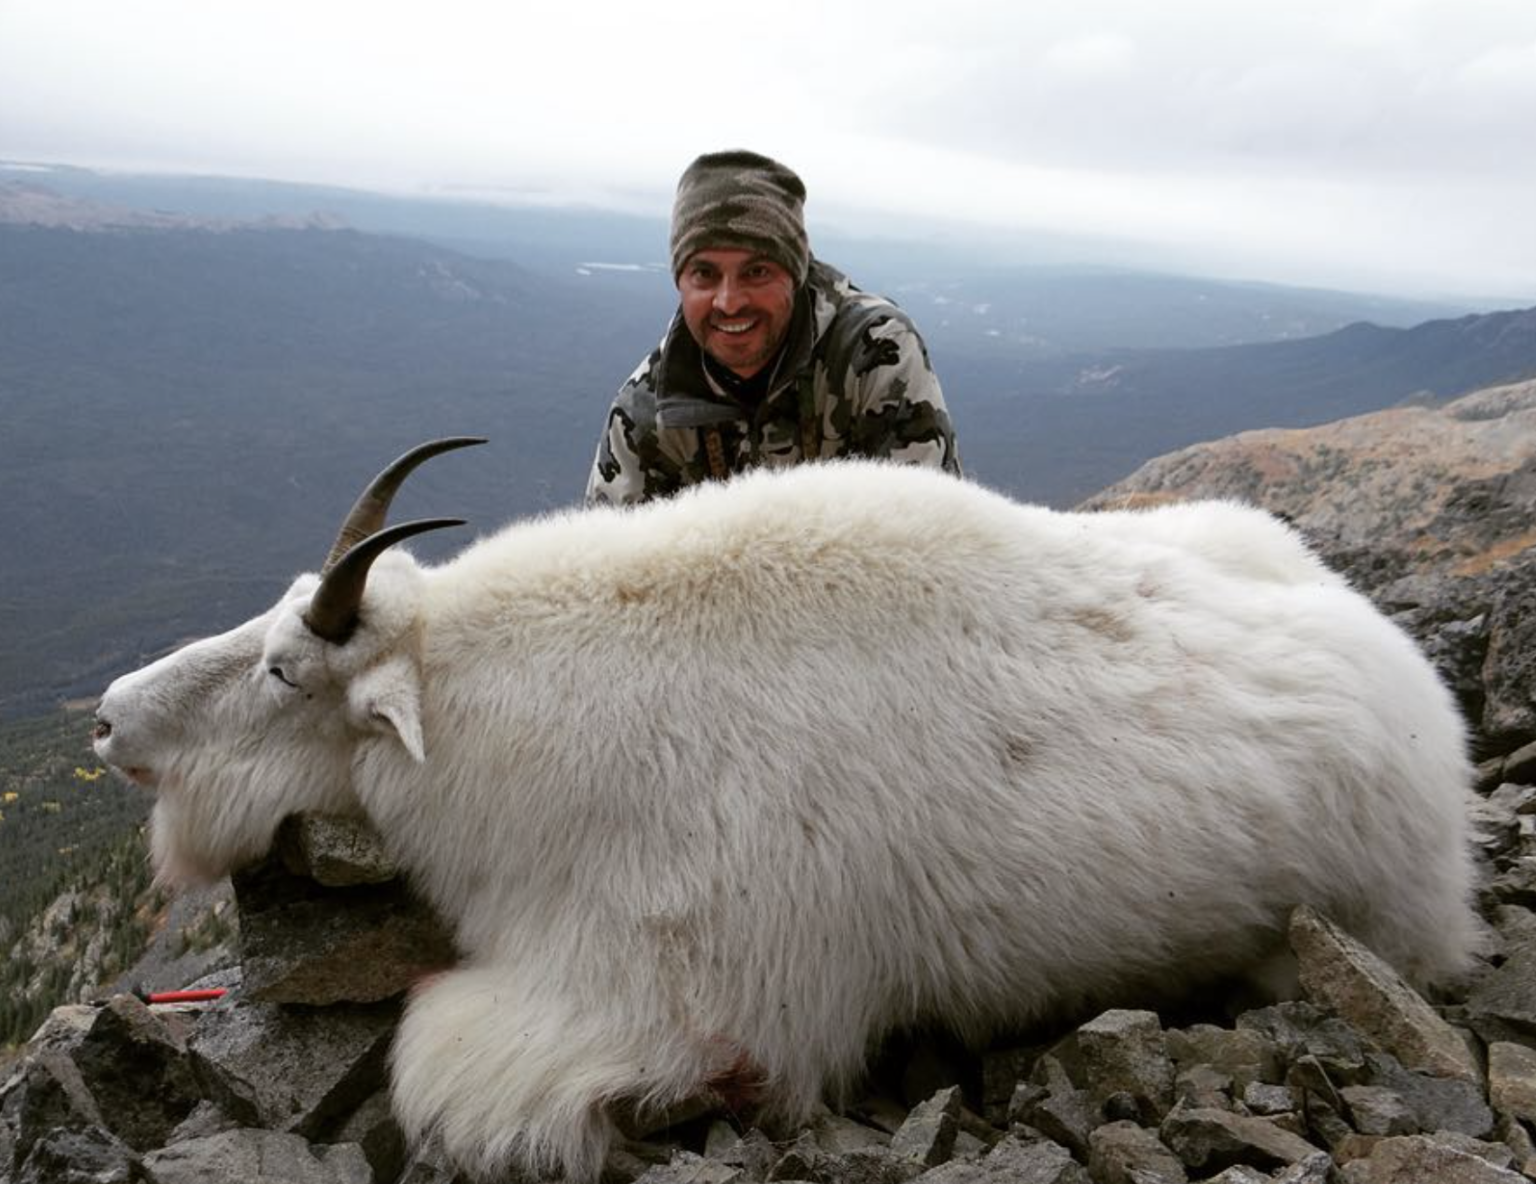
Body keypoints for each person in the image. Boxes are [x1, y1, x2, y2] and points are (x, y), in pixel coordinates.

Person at [584, 149, 962, 505]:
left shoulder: (875, 354)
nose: (729, 302)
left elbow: (930, 537)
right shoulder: (646, 411)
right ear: (680, 281)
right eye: (704, 274)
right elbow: (609, 566)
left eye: (757, 272)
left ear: (795, 276)